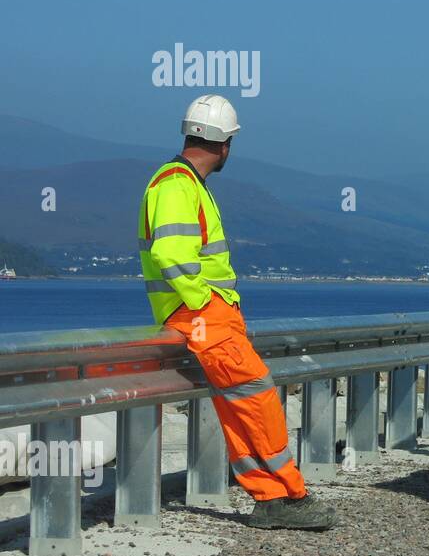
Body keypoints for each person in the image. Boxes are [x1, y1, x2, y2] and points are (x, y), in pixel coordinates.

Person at [138, 95, 337, 530]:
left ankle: (269, 498)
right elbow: (171, 252)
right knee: (258, 394)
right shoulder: (177, 184)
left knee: (238, 404)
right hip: (202, 316)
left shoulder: (185, 183)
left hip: (205, 315)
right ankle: (290, 494)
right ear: (225, 144)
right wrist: (203, 301)